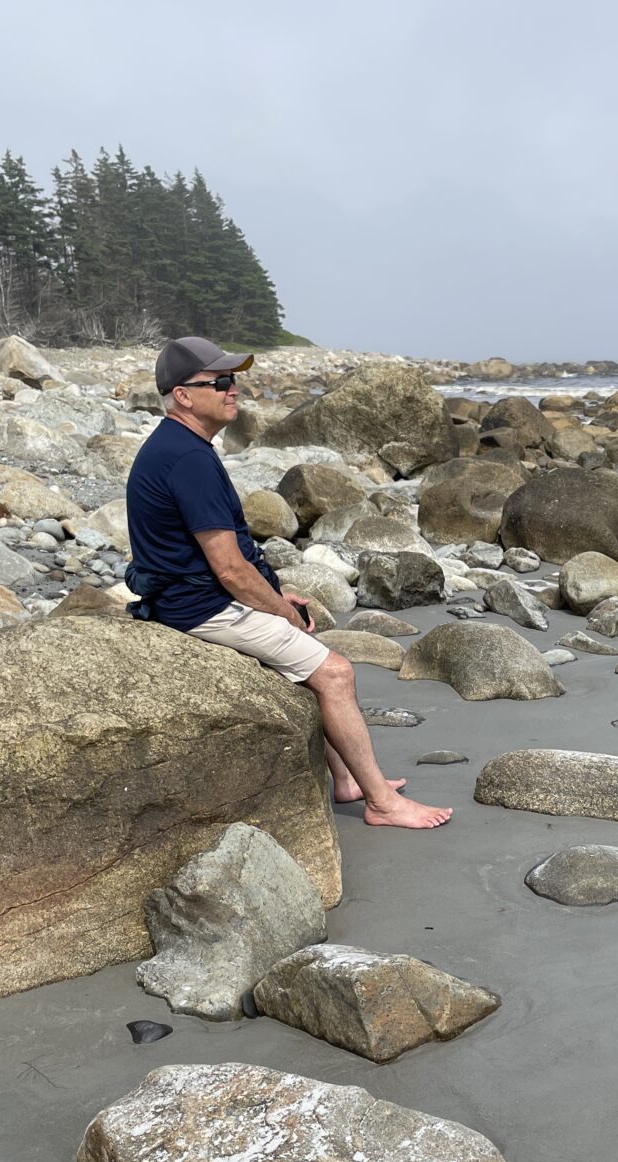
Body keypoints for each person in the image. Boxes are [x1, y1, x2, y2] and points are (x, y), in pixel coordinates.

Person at [124, 336, 451, 829]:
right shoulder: (188, 459)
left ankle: (346, 781)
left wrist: (276, 596)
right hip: (200, 608)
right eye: (220, 382)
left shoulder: (178, 446)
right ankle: (382, 803)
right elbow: (229, 570)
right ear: (184, 396)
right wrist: (279, 611)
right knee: (335, 673)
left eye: (233, 380)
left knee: (305, 656)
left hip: (190, 596)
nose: (233, 391)